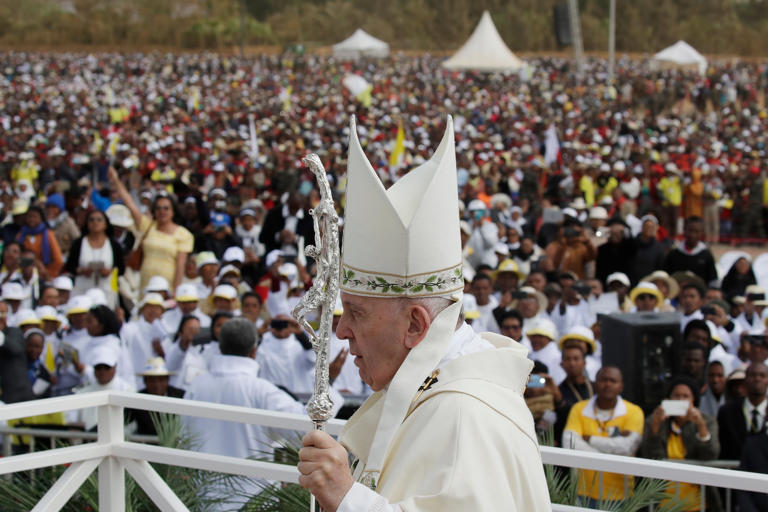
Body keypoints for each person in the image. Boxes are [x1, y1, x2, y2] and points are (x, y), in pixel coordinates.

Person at [297, 118, 550, 511]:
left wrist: (347, 499)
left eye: (358, 313)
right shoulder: (432, 388)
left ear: (416, 324)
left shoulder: (465, 414)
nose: (342, 330)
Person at [184, 318, 328, 508]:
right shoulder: (262, 391)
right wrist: (328, 382)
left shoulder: (196, 386)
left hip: (202, 499)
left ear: (220, 347)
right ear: (254, 350)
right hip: (253, 502)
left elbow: (180, 435)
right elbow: (307, 430)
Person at [562, 366, 644, 506]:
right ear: (595, 384)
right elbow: (570, 443)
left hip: (619, 495)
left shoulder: (634, 411)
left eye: (613, 381)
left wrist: (590, 439)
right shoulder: (579, 408)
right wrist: (608, 454)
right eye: (603, 380)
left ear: (621, 386)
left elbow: (627, 447)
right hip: (582, 493)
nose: (608, 384)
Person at [109, 166, 194, 295]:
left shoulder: (183, 234)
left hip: (167, 288)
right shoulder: (149, 226)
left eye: (166, 208)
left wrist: (176, 292)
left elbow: (180, 266)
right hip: (146, 284)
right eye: (158, 208)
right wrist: (115, 179)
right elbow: (130, 204)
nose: (162, 212)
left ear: (173, 211)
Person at [639, 376, 720, 511]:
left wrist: (701, 426)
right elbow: (650, 456)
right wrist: (655, 427)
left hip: (697, 504)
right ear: (668, 399)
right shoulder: (656, 420)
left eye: (685, 396)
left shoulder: (707, 421)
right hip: (662, 504)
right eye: (676, 396)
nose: (681, 400)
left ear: (693, 400)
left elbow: (710, 455)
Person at [65, 209, 125, 309]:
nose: (95, 223)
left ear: (106, 224)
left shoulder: (114, 245)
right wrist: (81, 271)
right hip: (83, 288)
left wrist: (109, 271)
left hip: (106, 289)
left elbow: (121, 268)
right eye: (91, 220)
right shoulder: (79, 243)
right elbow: (69, 265)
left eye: (99, 220)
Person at [717, 362, 768, 461]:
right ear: (745, 381)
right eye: (753, 375)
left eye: (762, 376)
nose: (757, 379)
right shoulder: (727, 412)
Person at [125, 358, 184, 436]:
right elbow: (123, 419)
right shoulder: (138, 399)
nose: (156, 385)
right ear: (145, 381)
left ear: (167, 380)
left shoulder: (180, 396)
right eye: (152, 380)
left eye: (161, 379)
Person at [663, 216, 718, 285]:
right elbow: (665, 276)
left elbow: (713, 279)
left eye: (696, 231)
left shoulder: (706, 255)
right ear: (684, 230)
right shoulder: (674, 254)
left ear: (701, 233)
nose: (693, 235)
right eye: (690, 230)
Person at [16, 205, 64, 279]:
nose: (31, 219)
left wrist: (47, 273)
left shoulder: (47, 234)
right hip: (23, 274)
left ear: (41, 218)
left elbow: (58, 259)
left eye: (35, 216)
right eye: (29, 216)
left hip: (43, 275)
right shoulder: (21, 234)